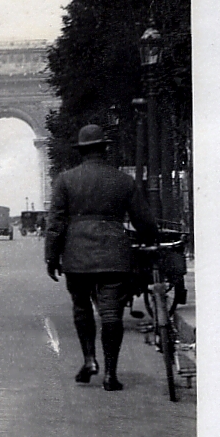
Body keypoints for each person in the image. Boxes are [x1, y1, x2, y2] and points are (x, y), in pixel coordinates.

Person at [45, 124, 158, 391]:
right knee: (111, 313)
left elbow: (56, 223)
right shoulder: (123, 181)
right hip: (114, 253)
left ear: (81, 151)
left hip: (77, 254)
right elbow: (144, 221)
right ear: (104, 149)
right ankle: (111, 374)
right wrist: (149, 239)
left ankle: (89, 359)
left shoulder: (65, 180)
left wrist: (51, 256)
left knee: (82, 307)